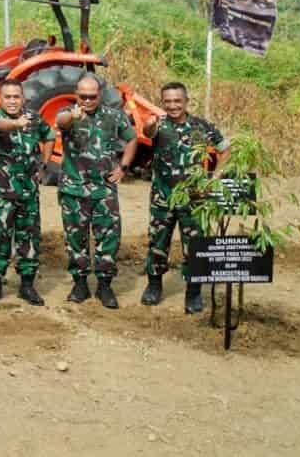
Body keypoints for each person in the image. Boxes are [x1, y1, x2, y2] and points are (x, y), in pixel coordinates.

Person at [125, 81, 230, 314]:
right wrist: (150, 125)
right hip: (163, 197)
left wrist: (215, 175)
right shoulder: (159, 125)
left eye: (177, 101)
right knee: (157, 243)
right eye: (168, 101)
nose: (173, 106)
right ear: (163, 102)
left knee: (195, 246)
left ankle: (193, 293)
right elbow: (148, 132)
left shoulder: (202, 127)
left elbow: (225, 148)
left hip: (194, 198)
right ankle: (154, 286)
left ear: (186, 101)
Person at [56, 74, 134, 308]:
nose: (87, 101)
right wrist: (73, 115)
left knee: (108, 237)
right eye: (82, 96)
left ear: (99, 95)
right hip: (74, 189)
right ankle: (79, 284)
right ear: (76, 95)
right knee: (75, 239)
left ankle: (104, 285)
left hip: (104, 189)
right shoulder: (70, 113)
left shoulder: (114, 115)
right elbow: (61, 122)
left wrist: (124, 167)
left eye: (92, 96)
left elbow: (131, 139)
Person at [0, 78, 53, 305]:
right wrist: (17, 124)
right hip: (1, 194)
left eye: (16, 97)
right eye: (8, 97)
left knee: (29, 239)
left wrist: (44, 164)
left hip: (29, 193)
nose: (12, 101)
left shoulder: (34, 118)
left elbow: (49, 136)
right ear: (0, 99)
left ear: (23, 98)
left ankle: (27, 286)